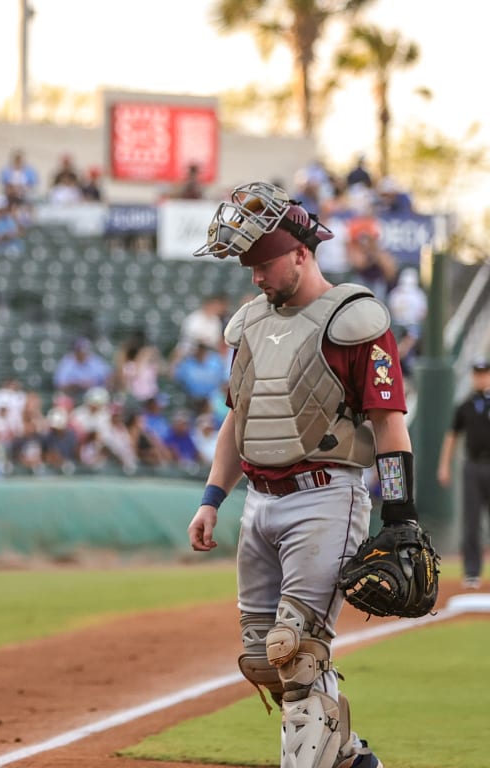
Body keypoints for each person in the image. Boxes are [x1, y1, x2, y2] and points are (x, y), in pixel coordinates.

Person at [186, 181, 422, 768]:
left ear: (300, 253)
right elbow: (239, 419)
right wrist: (213, 496)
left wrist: (399, 514)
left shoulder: (355, 319)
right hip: (259, 502)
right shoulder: (246, 326)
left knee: (297, 653)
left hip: (326, 497)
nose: (256, 277)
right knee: (263, 659)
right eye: (249, 268)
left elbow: (390, 425)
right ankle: (348, 759)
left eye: (264, 264)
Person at [439, 357, 490, 590]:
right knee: (471, 521)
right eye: (477, 373)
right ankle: (472, 571)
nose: (480, 377)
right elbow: (452, 436)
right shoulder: (466, 405)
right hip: (472, 466)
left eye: (484, 373)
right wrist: (444, 465)